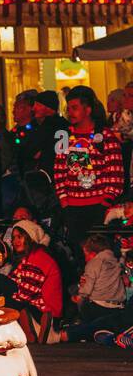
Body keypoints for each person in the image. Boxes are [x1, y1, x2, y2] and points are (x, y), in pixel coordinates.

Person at [54, 84, 124, 260]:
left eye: (75, 108)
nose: (70, 112)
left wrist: (104, 205)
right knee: (78, 257)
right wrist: (65, 203)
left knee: (101, 257)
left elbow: (116, 176)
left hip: (98, 209)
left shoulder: (106, 137)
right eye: (68, 108)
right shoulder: (63, 137)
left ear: (88, 109)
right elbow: (59, 172)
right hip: (73, 209)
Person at [62, 233, 129, 342]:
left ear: (93, 253)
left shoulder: (94, 263)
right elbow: (122, 264)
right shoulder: (115, 261)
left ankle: (69, 326)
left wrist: (78, 296)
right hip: (116, 308)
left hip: (97, 307)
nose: (85, 258)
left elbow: (86, 290)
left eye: (85, 254)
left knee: (74, 295)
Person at [0, 219, 63, 320]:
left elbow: (25, 294)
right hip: (34, 307)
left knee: (0, 282)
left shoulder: (39, 257)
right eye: (13, 238)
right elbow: (13, 280)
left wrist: (1, 302)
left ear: (30, 237)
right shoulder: (28, 257)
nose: (15, 241)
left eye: (20, 237)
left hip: (46, 314)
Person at [25, 90, 68, 173]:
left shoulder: (48, 126)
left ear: (48, 107)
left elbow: (32, 152)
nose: (33, 108)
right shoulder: (63, 125)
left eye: (37, 104)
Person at [10, 90, 39, 175]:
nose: (13, 111)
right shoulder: (12, 133)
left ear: (30, 109)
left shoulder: (37, 132)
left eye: (17, 107)